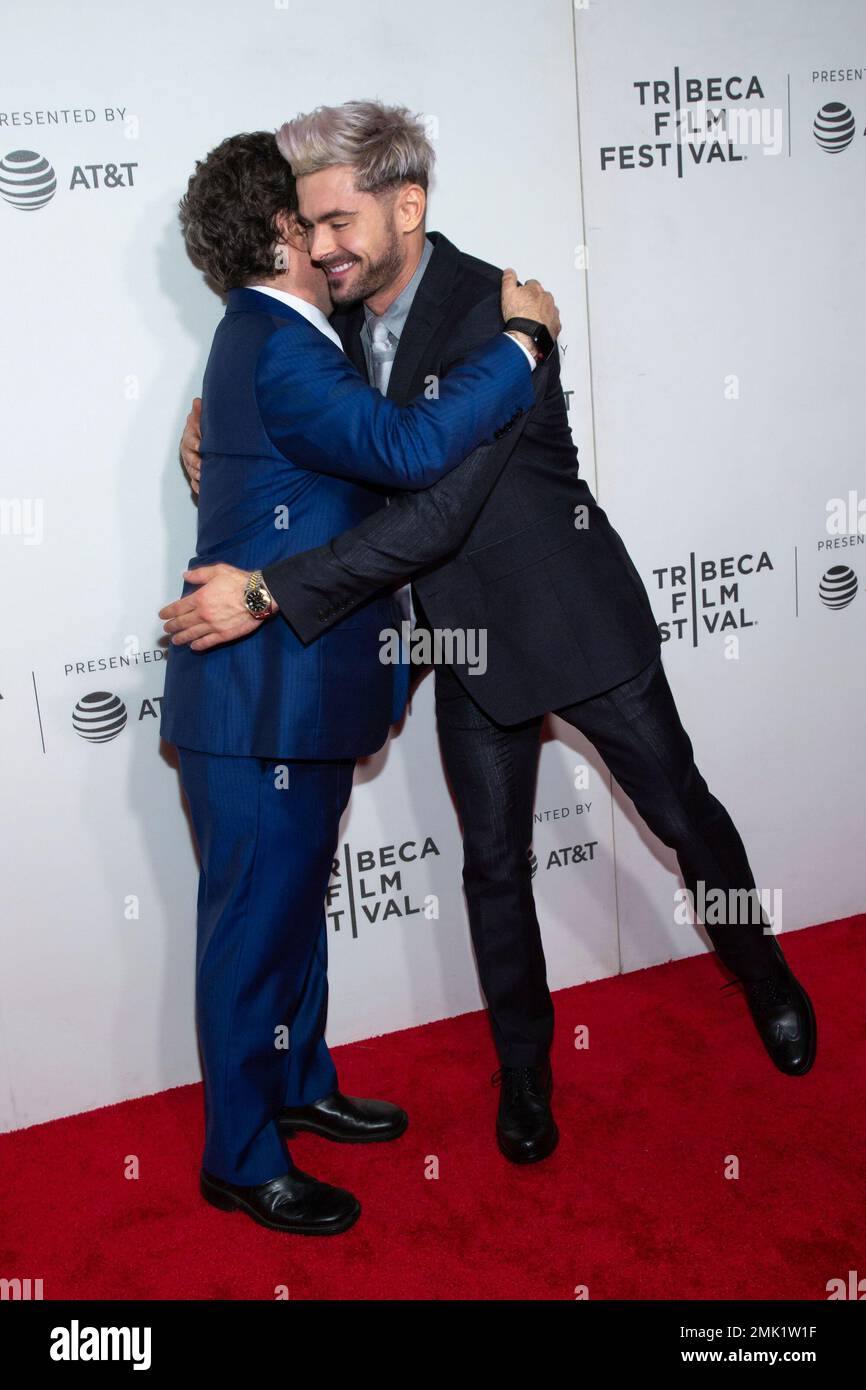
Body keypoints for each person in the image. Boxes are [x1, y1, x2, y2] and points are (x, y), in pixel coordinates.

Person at [166, 102, 816, 1171]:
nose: (321, 245)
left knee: (684, 814)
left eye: (338, 221)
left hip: (572, 620)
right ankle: (524, 1075)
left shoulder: (500, 317)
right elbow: (330, 459)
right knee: (491, 869)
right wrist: (217, 438)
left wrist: (269, 588)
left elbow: (431, 511)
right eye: (307, 225)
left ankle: (764, 972)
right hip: (458, 649)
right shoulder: (325, 326)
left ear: (405, 205)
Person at [158, 129, 560, 1232]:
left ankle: (295, 1084)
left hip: (299, 688)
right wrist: (520, 344)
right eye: (315, 217)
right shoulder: (276, 345)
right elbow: (405, 443)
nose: (334, 236)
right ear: (283, 228)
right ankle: (239, 1155)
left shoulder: (280, 334)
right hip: (258, 699)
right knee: (251, 932)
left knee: (289, 914)